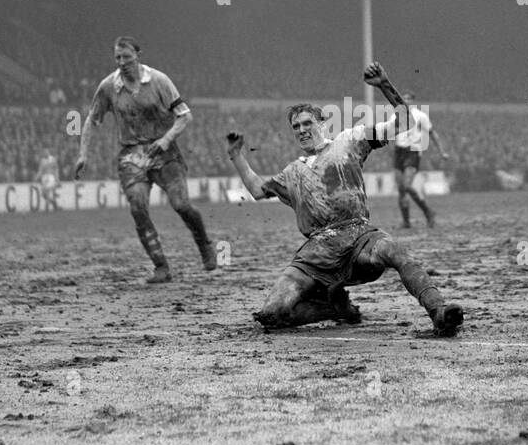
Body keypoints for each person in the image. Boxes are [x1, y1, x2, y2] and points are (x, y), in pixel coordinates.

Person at [227, 62, 463, 336]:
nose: (302, 130)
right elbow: (257, 190)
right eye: (296, 126)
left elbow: (405, 123)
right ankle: (336, 308)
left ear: (321, 124)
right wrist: (237, 155)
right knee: (271, 316)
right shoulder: (292, 172)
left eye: (307, 123)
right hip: (317, 252)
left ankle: (439, 312)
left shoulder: (350, 140)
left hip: (359, 237)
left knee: (395, 250)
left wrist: (385, 85)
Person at [73, 37, 216, 282]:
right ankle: (161, 267)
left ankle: (204, 243)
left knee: (181, 204)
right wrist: (83, 153)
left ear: (138, 55)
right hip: (131, 155)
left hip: (165, 152)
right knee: (138, 208)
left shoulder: (159, 80)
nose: (122, 62)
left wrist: (166, 139)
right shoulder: (109, 86)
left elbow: (185, 116)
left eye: (126, 57)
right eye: (117, 58)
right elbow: (91, 119)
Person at [392, 91, 450, 228]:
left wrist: (442, 151)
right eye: (403, 98)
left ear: (412, 101)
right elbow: (390, 130)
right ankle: (406, 221)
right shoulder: (395, 115)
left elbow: (432, 133)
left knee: (407, 185)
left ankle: (428, 212)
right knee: (401, 189)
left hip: (413, 151)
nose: (405, 100)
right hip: (398, 151)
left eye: (408, 98)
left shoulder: (421, 116)